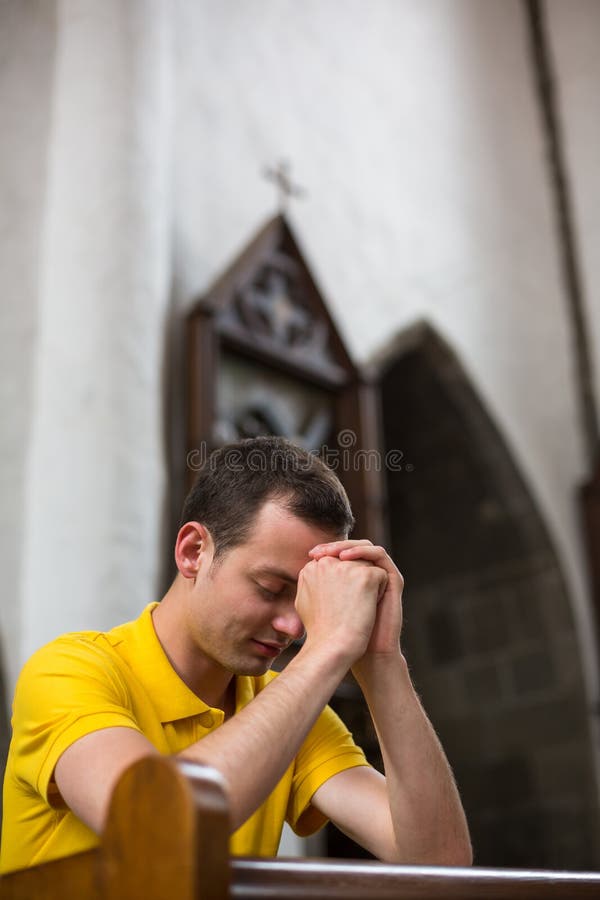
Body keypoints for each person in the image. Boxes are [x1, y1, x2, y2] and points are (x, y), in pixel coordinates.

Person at [1, 436, 472, 872]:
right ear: (193, 552)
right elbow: (157, 827)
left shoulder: (291, 709)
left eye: (304, 599)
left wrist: (383, 659)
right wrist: (328, 649)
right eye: (270, 588)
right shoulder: (68, 672)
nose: (295, 628)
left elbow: (438, 863)